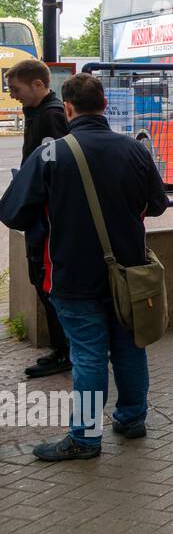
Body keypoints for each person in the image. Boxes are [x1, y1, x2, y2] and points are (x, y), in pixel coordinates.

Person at [0, 73, 168, 461]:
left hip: (73, 273)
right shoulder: (135, 151)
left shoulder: (51, 153)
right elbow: (157, 205)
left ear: (69, 108)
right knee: (130, 346)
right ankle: (131, 419)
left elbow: (14, 212)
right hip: (128, 272)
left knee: (89, 355)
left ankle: (86, 437)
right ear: (105, 105)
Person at [6, 60, 71, 379]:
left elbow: (56, 169)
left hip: (46, 218)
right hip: (42, 214)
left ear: (37, 85)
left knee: (46, 281)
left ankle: (65, 351)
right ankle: (62, 349)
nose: (12, 95)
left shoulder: (51, 116)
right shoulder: (40, 113)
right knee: (41, 281)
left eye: (16, 89)